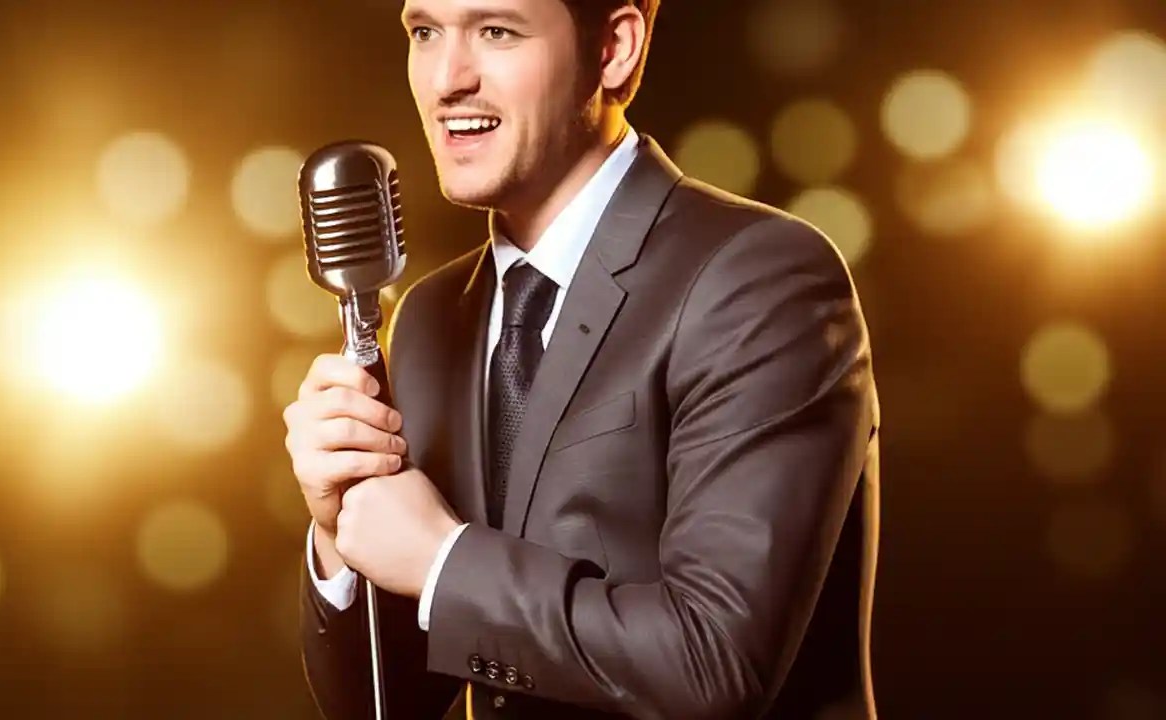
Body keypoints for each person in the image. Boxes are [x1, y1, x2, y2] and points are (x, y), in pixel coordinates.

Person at [280, 0, 881, 717]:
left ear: (616, 48)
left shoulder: (758, 277)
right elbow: (388, 703)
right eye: (425, 32)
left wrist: (443, 559)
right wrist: (340, 534)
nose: (446, 78)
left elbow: (714, 665)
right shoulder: (429, 318)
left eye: (496, 31)